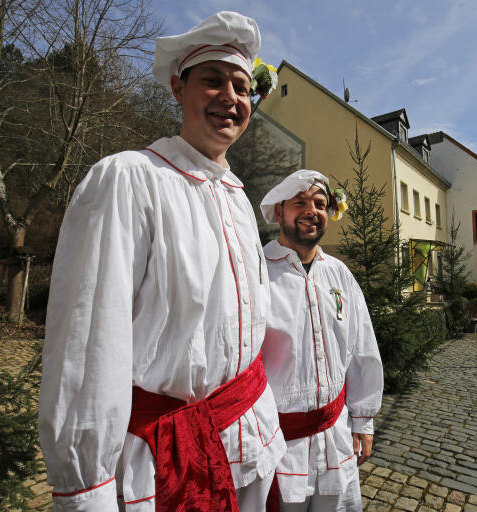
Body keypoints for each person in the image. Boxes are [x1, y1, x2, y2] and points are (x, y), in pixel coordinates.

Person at [38, 12, 286, 511]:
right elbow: (89, 341)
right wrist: (87, 488)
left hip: (253, 441)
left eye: (241, 87)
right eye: (212, 81)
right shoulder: (129, 179)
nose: (230, 98)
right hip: (167, 462)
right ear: (178, 87)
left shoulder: (238, 195)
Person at [259, 170, 383, 511]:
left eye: (320, 203)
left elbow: (362, 348)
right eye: (300, 202)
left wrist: (363, 419)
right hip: (277, 446)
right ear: (280, 211)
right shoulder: (257, 271)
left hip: (336, 437)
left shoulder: (339, 273)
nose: (311, 210)